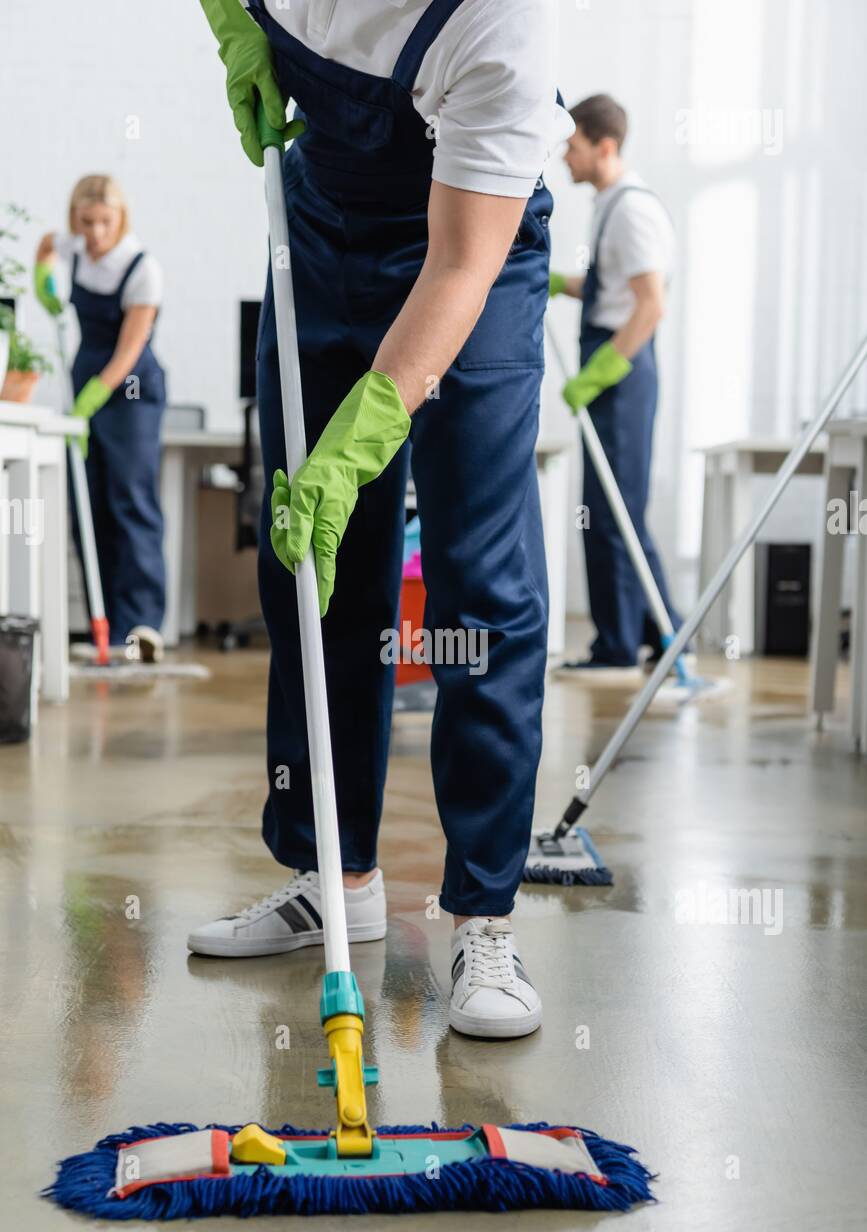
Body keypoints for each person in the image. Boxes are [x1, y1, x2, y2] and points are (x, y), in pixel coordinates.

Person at [188, 0, 573, 1040]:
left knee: (476, 581)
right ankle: (337, 875)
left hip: (466, 254)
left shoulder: (498, 24)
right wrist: (236, 28)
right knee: (311, 563)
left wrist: (361, 437)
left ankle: (480, 913)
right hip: (318, 224)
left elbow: (458, 268)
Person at [551, 94, 681, 679]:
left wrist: (599, 373)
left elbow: (649, 306)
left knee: (612, 514)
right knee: (614, 510)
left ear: (604, 146)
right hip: (614, 366)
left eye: (572, 146)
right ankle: (664, 635)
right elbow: (616, 290)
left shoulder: (632, 209)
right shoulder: (611, 204)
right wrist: (561, 284)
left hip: (623, 372)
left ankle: (619, 648)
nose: (563, 157)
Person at [35, 176, 167, 661]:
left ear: (121, 218)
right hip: (84, 377)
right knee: (87, 504)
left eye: (104, 222)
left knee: (130, 501)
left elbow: (131, 348)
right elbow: (46, 247)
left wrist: (93, 398)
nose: (94, 233)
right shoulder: (70, 246)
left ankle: (142, 626)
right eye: (86, 222)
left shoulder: (141, 267)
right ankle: (105, 629)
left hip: (129, 388)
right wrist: (43, 282)